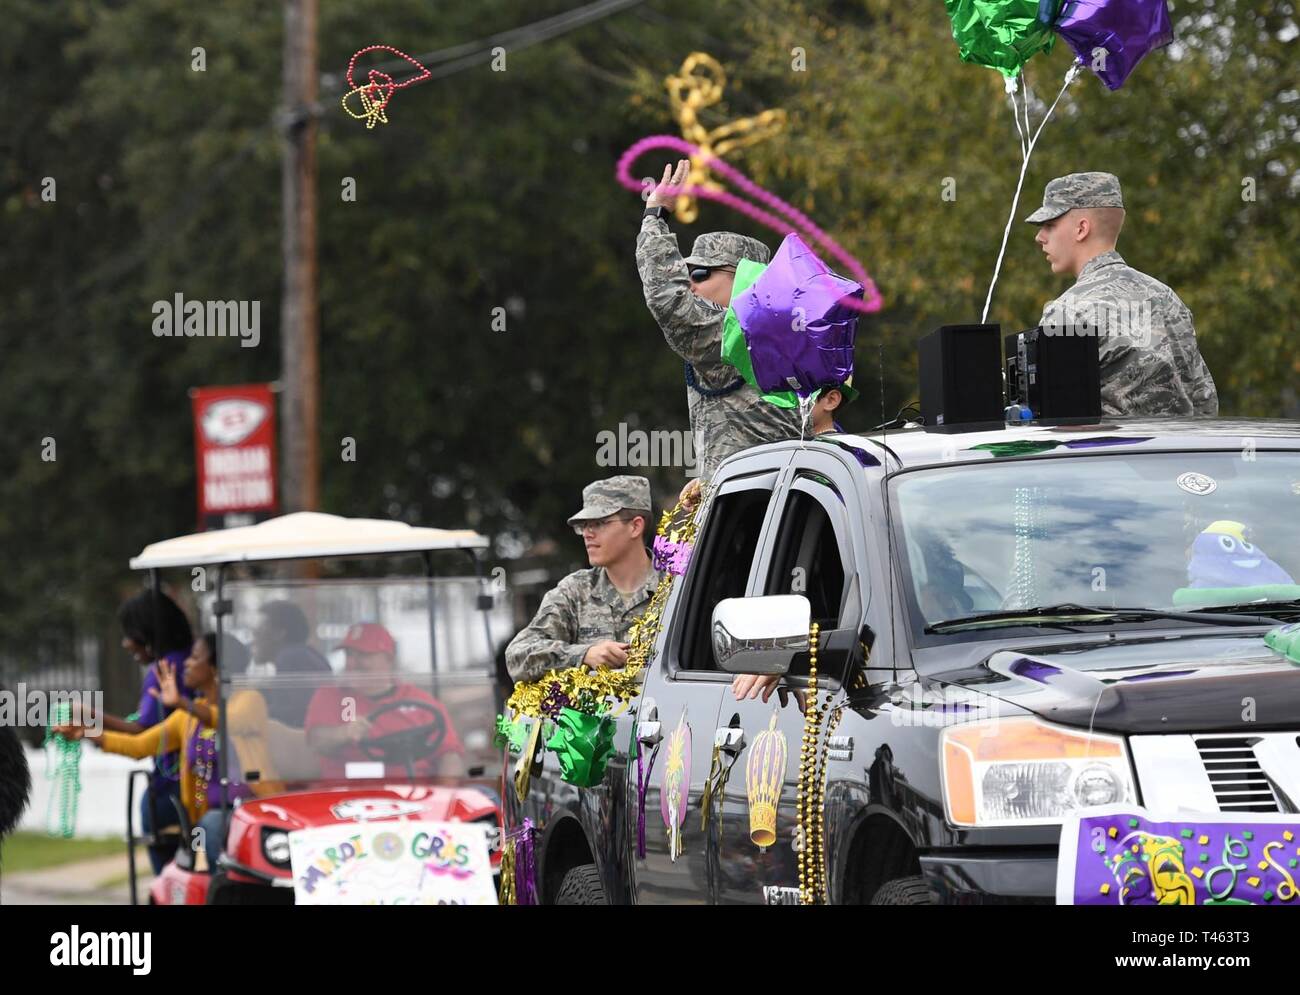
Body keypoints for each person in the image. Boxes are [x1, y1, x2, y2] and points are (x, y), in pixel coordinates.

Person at [637, 159, 802, 483]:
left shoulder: (746, 333)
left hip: (752, 511)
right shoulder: (784, 335)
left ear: (745, 281)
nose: (691, 283)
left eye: (700, 273)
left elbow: (669, 302)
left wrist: (655, 218)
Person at [1027, 171, 1218, 417]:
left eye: (1049, 225)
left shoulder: (1069, 310)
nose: (1040, 237)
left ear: (1081, 229)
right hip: (1185, 452)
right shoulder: (1167, 298)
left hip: (1111, 455)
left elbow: (1055, 425)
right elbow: (1205, 402)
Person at [55, 633, 242, 872]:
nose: (186, 662)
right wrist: (87, 733)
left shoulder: (248, 702)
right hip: (202, 825)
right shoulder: (187, 719)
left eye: (195, 657)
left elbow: (226, 721)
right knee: (188, 869)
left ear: (217, 668)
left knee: (213, 826)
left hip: (245, 815)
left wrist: (181, 702)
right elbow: (139, 746)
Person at [506, 475, 659, 684]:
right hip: (598, 716)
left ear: (635, 526)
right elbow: (517, 656)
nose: (587, 533)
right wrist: (584, 655)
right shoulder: (576, 591)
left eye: (599, 523)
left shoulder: (676, 587)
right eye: (584, 525)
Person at [304, 622, 465, 779]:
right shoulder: (330, 695)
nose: (352, 663)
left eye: (363, 655)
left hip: (414, 796)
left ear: (389, 658)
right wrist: (344, 733)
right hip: (347, 795)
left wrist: (443, 798)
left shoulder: (421, 701)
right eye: (349, 655)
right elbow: (316, 741)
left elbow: (449, 755)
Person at [251, 600, 332, 726]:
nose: (254, 634)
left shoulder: (291, 657)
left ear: (279, 634)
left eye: (260, 628)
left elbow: (295, 714)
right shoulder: (304, 655)